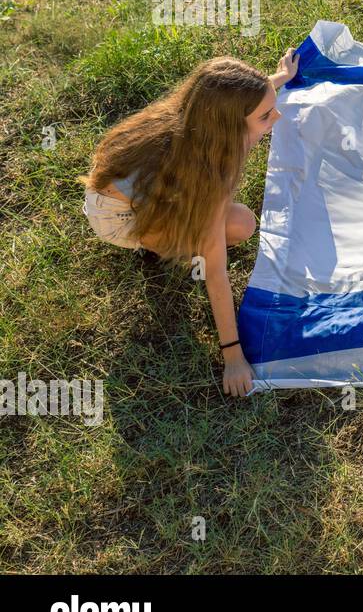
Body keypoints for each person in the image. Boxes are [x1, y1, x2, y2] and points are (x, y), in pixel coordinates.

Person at [79, 48, 299, 395]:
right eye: (266, 115)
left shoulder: (204, 120)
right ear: (229, 127)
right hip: (114, 217)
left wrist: (279, 78)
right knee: (238, 226)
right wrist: (233, 356)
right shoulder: (213, 172)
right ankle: (150, 241)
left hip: (121, 192)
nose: (277, 118)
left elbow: (234, 101)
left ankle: (157, 227)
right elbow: (215, 273)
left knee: (239, 221)